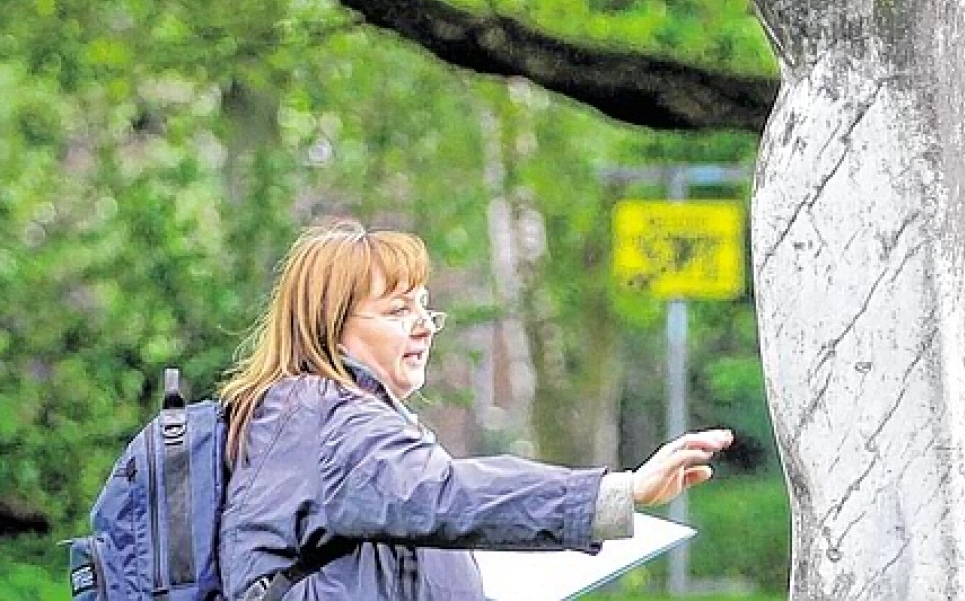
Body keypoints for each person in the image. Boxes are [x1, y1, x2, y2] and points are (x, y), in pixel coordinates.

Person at [217, 219, 733, 600]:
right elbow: (446, 494)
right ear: (329, 323)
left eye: (424, 307)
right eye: (399, 310)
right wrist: (618, 492)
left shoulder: (310, 416)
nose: (423, 326)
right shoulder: (330, 422)